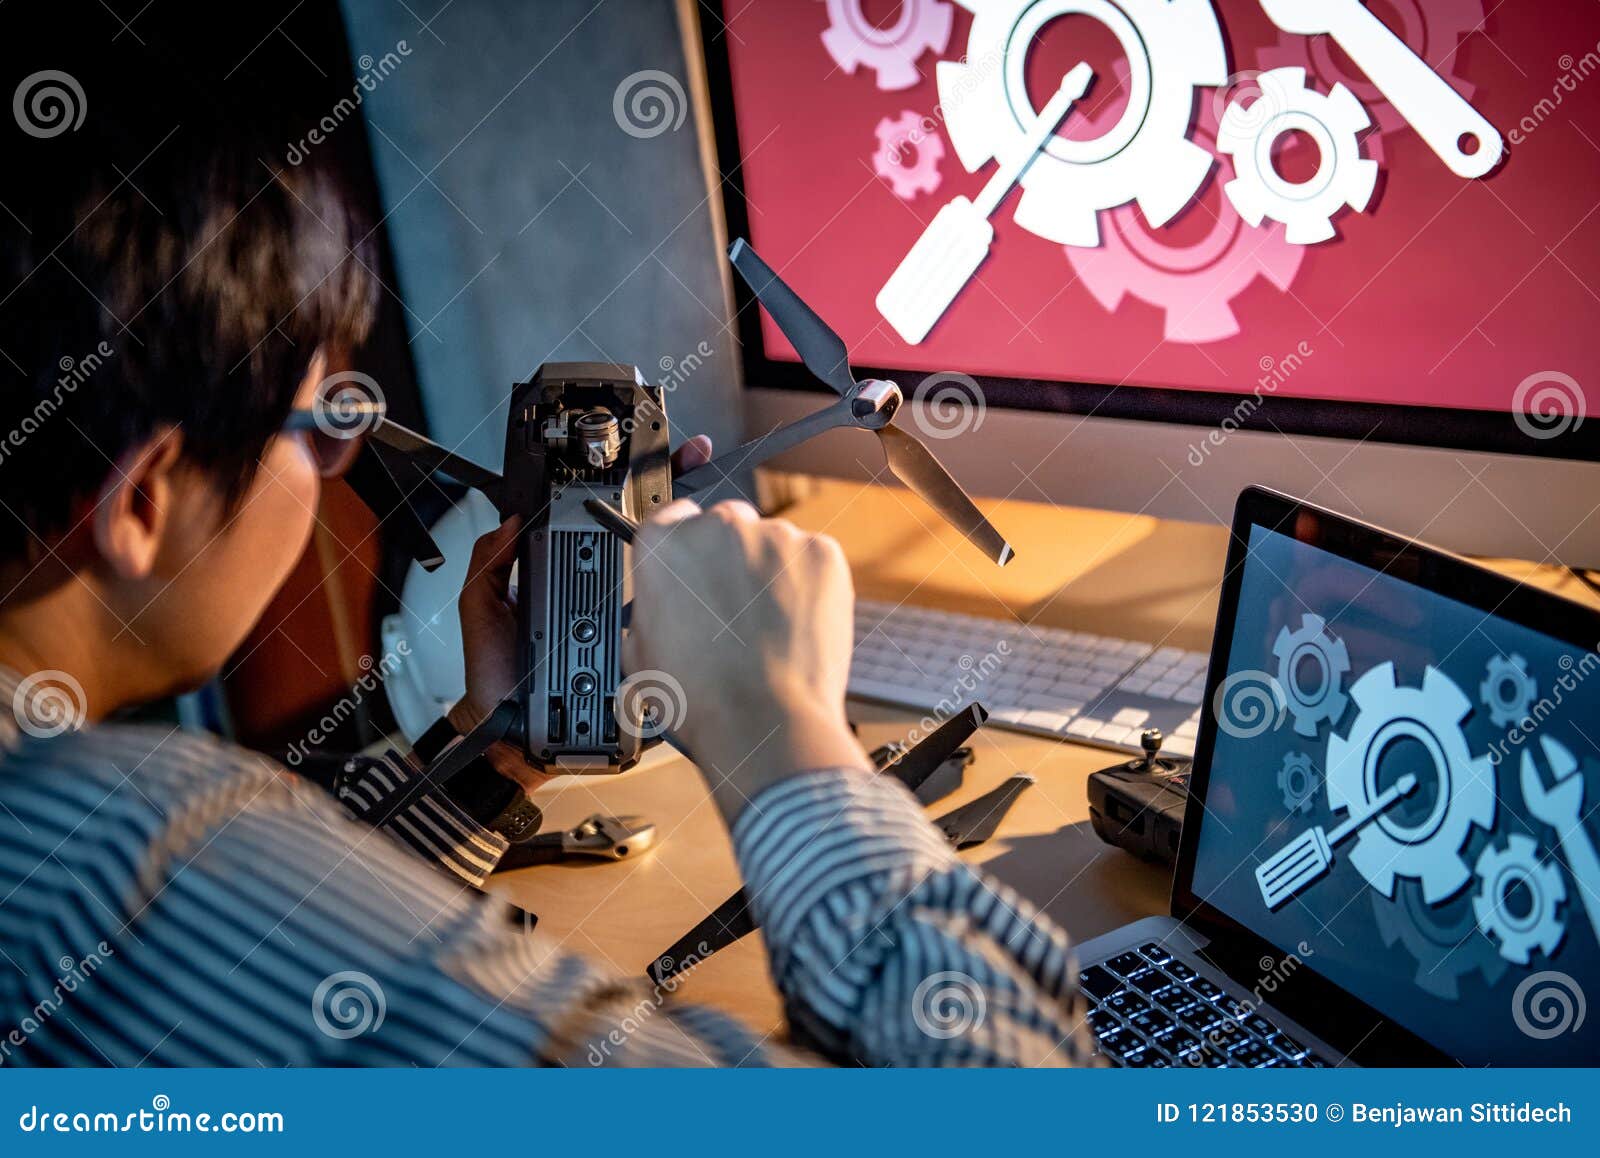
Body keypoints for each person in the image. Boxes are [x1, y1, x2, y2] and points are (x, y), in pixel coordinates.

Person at [0, 11, 1091, 1067]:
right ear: (144, 502)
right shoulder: (141, 855)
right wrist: (786, 740)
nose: (337, 471)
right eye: (328, 424)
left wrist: (495, 746)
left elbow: (291, 960)